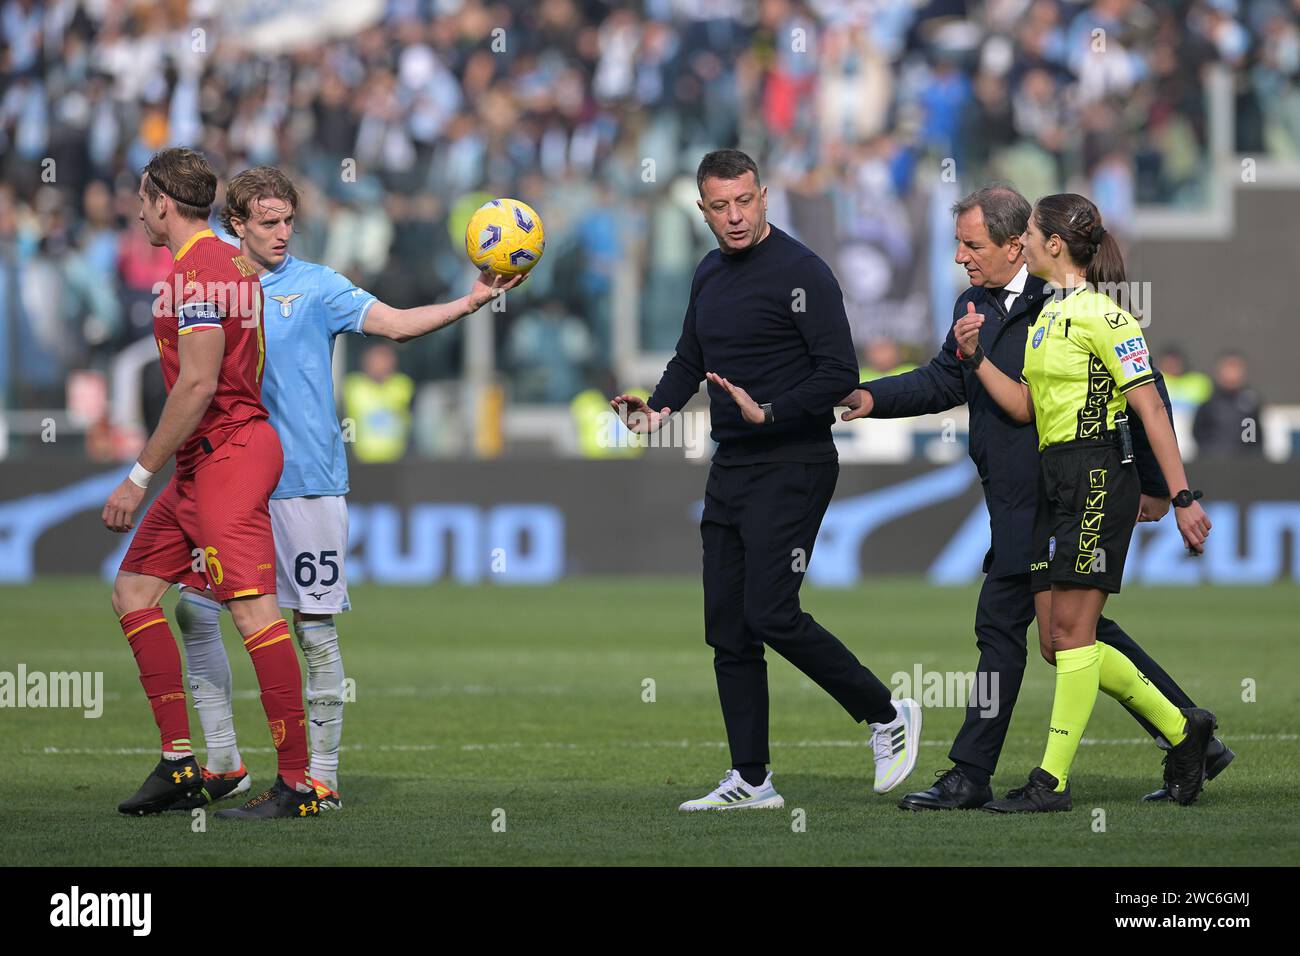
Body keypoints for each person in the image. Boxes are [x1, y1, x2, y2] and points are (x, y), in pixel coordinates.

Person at [840, 185, 1232, 809]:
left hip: (1064, 492)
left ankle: (981, 775)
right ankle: (1190, 734)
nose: (962, 258)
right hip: (1017, 497)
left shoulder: (1073, 301)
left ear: (1014, 242)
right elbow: (953, 377)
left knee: (1021, 629)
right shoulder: (977, 303)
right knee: (1068, 635)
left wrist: (1165, 489)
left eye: (972, 245)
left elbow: (1142, 391)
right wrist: (874, 397)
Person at [173, 166, 520, 810]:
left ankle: (320, 780)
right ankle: (223, 762)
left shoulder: (317, 285)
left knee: (314, 631)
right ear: (237, 225)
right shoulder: (214, 288)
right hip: (229, 483)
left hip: (305, 482)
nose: (281, 233)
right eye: (267, 222)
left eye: (287, 221)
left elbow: (393, 324)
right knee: (194, 612)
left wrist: (471, 301)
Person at [612, 149, 921, 811]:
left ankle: (886, 714)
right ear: (702, 210)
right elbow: (689, 359)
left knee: (771, 612)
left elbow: (840, 375)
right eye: (719, 206)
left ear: (764, 197)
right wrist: (656, 410)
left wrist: (772, 410)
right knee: (728, 627)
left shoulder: (803, 272)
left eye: (743, 201)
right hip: (732, 464)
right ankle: (752, 780)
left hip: (795, 460)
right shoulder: (707, 275)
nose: (734, 217)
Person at [952, 192, 1216, 811]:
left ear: (1050, 245)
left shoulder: (1107, 316)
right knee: (1058, 638)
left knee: (1072, 636)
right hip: (1056, 480)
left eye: (1030, 234)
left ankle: (1050, 783)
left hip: (1098, 474)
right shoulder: (1049, 318)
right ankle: (1186, 731)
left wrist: (1179, 496)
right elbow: (1025, 406)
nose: (1020, 244)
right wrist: (975, 357)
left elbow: (1151, 406)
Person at [102, 147, 317, 819]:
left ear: (163, 203)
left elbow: (197, 383)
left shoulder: (197, 276)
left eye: (143, 198)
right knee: (134, 591)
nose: (138, 209)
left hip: (228, 453)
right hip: (207, 459)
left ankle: (298, 785)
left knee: (253, 610)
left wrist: (138, 476)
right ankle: (179, 763)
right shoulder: (228, 262)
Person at [1192, 351, 1263, 457]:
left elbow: (1253, 439)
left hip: (1243, 463)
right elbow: (1199, 435)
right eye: (1228, 368)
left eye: (1236, 368)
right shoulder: (1208, 405)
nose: (1232, 373)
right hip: (1213, 462)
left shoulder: (1250, 404)